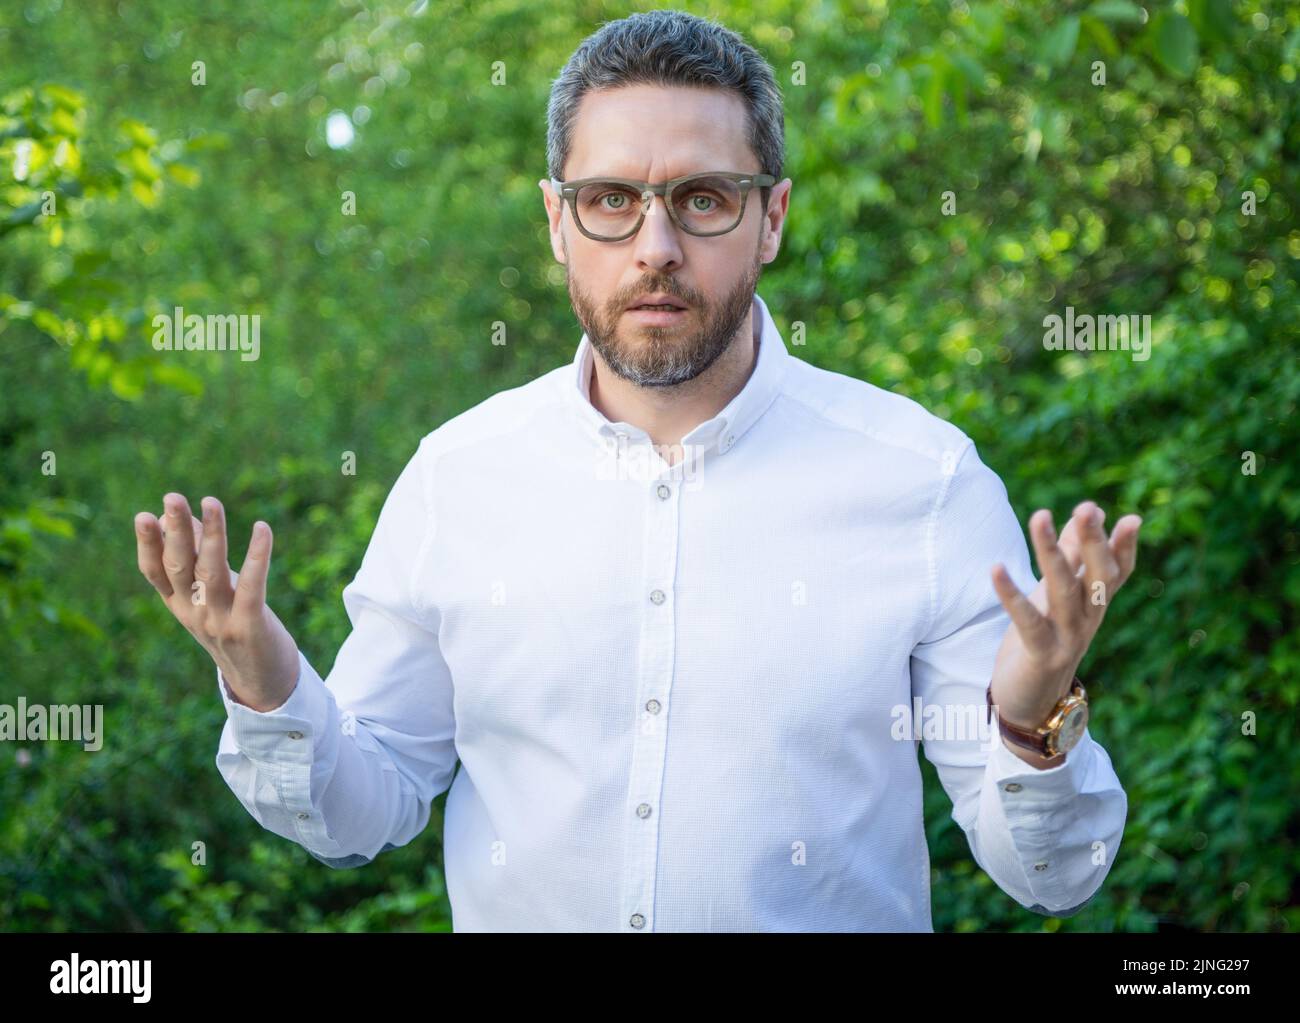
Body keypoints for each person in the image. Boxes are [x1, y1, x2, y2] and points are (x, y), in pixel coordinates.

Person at [134, 9, 1141, 932]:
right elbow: (360, 808)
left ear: (773, 218)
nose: (655, 247)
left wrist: (1030, 719)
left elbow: (1050, 876)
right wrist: (263, 680)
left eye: (702, 198)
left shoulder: (922, 481)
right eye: (612, 199)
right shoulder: (459, 478)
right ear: (556, 220)